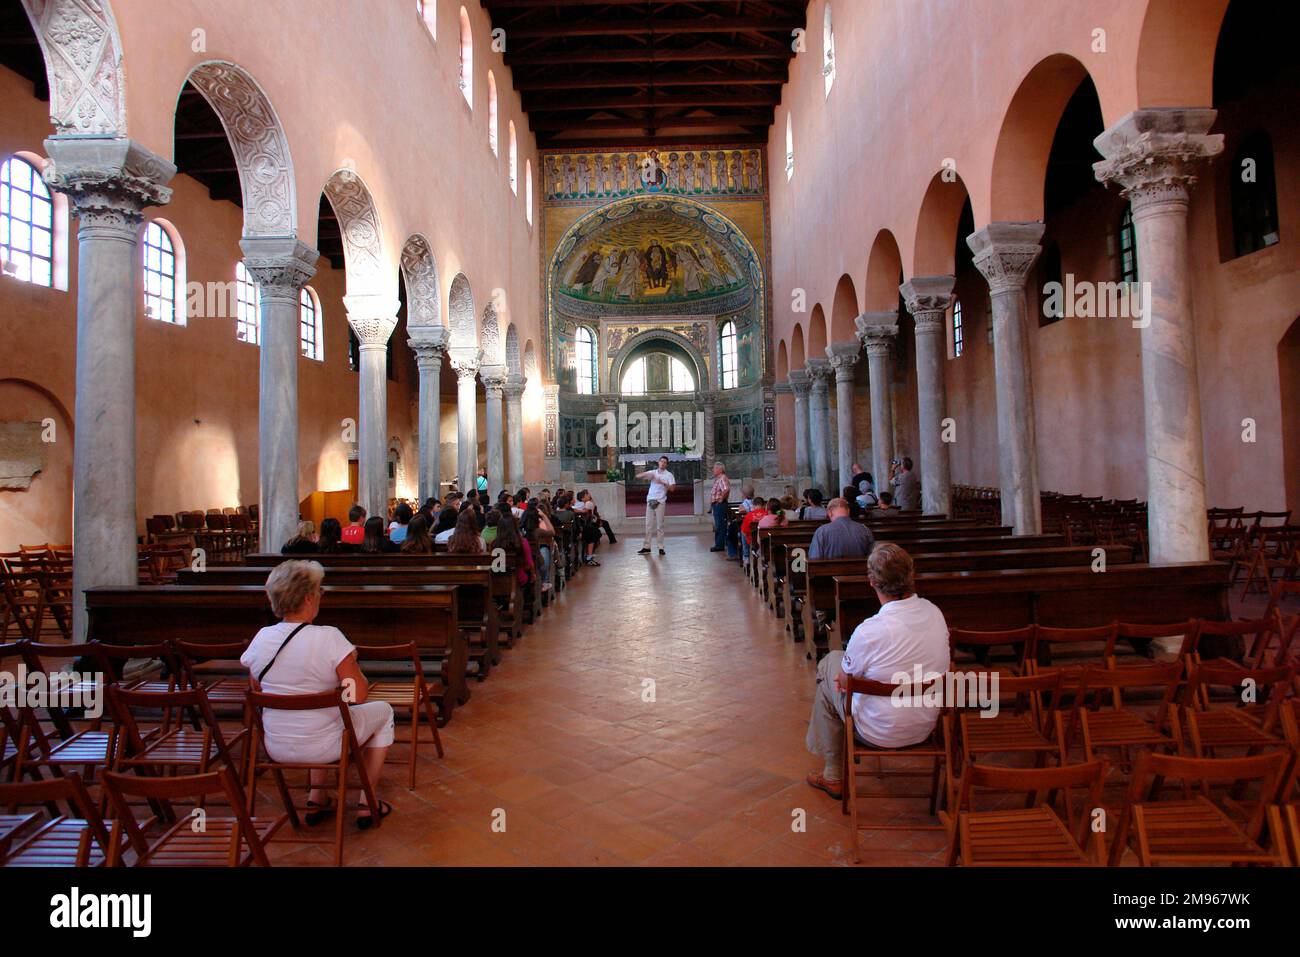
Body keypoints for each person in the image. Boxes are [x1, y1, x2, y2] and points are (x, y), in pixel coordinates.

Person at [241, 560, 395, 828]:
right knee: (384, 712)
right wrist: (352, 664)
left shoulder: (262, 637)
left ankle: (317, 796)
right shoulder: (329, 637)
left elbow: (257, 689)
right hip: (325, 744)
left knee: (319, 711)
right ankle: (365, 803)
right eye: (319, 591)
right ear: (309, 597)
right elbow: (357, 696)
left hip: (276, 744)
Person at [804, 544, 949, 800]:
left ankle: (833, 774)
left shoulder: (870, 630)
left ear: (871, 582)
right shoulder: (935, 613)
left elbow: (845, 681)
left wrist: (844, 680)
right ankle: (833, 770)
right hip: (926, 723)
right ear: (910, 577)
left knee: (829, 669)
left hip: (876, 729)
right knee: (836, 668)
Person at [809, 498, 875, 559]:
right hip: (861, 571)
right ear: (848, 511)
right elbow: (872, 557)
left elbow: (814, 558)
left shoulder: (821, 531)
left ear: (830, 513)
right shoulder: (865, 529)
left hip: (830, 571)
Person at [636, 455, 675, 556]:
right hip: (650, 500)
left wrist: (662, 482)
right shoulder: (653, 472)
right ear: (658, 462)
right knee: (648, 525)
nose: (662, 463)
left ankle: (660, 547)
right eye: (661, 461)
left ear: (666, 464)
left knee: (660, 525)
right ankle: (646, 547)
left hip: (660, 501)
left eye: (664, 462)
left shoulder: (669, 475)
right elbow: (638, 476)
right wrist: (647, 475)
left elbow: (672, 489)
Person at [708, 462, 731, 553]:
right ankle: (720, 544)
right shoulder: (718, 479)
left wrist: (721, 499)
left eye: (714, 468)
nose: (713, 470)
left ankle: (719, 545)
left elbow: (726, 489)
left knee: (720, 526)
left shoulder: (722, 478)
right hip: (717, 505)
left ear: (720, 469)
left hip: (720, 505)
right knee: (718, 525)